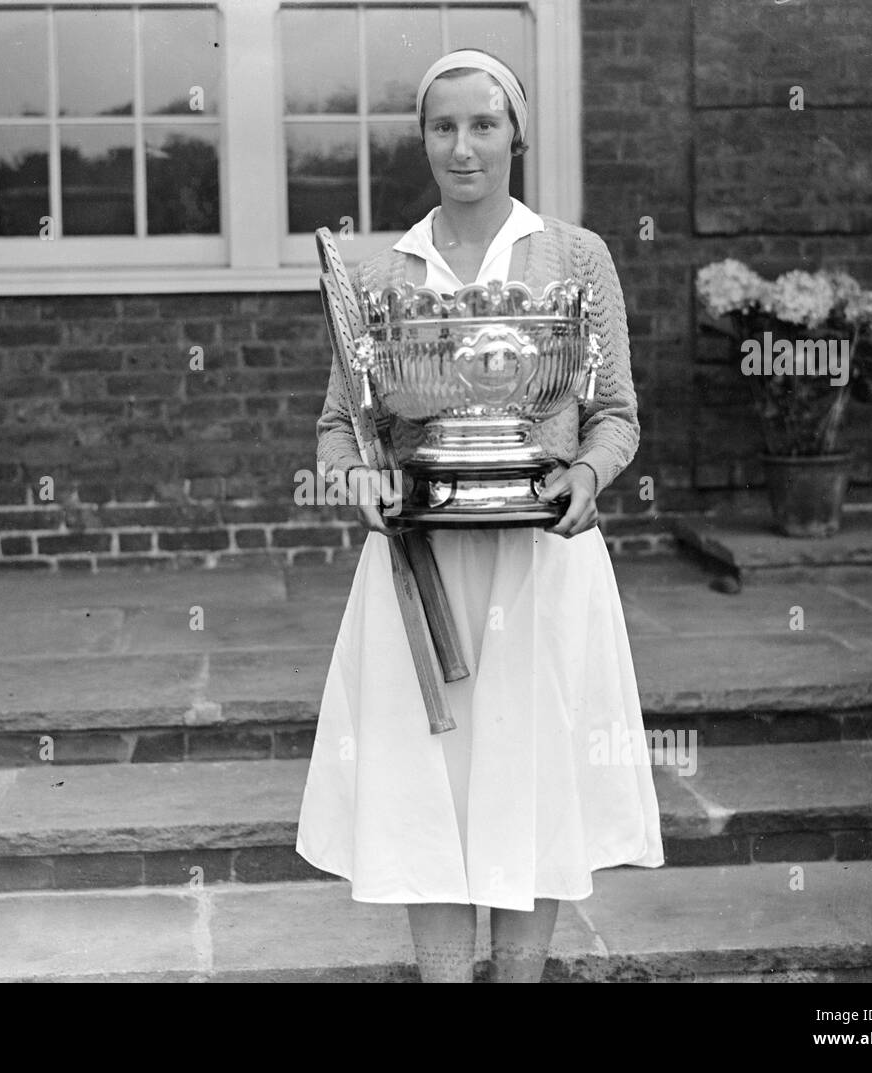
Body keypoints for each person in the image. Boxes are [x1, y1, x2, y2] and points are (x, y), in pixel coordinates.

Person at [296, 48, 663, 983]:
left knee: (530, 777)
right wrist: (361, 488)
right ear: (423, 139)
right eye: (443, 126)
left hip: (541, 559)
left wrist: (586, 476)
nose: (463, 147)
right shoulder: (382, 269)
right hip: (424, 568)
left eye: (483, 125)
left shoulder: (576, 256)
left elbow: (614, 410)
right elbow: (341, 428)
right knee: (429, 786)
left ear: (517, 134)